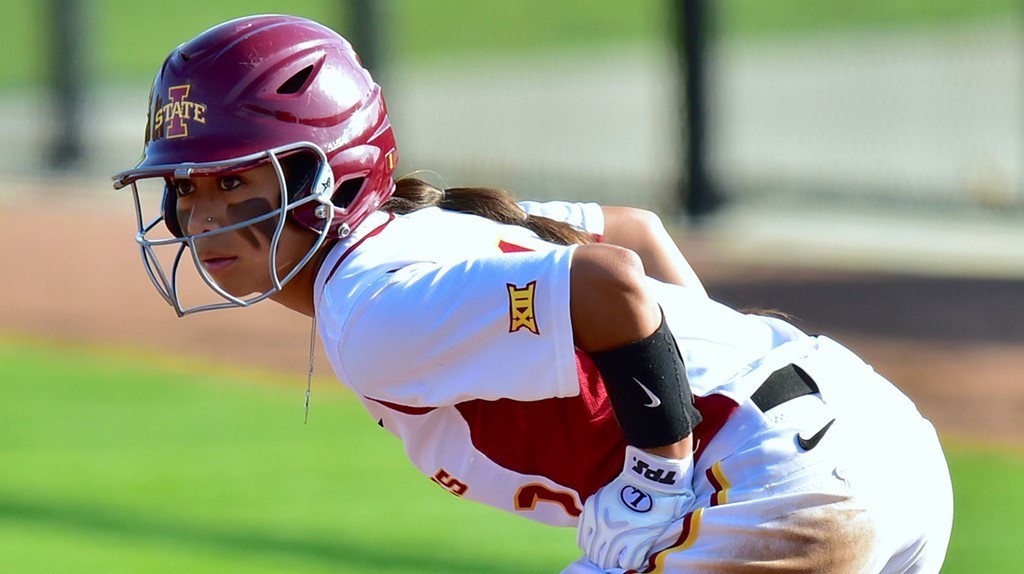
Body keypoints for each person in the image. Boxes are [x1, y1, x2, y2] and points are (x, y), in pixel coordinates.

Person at [112, 14, 953, 573]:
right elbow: (634, 232)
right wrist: (707, 382)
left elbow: (609, 280)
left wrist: (657, 474)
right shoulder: (420, 224)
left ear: (326, 175)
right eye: (185, 187)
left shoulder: (368, 311)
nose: (201, 216)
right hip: (874, 438)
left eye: (233, 180)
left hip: (776, 485)